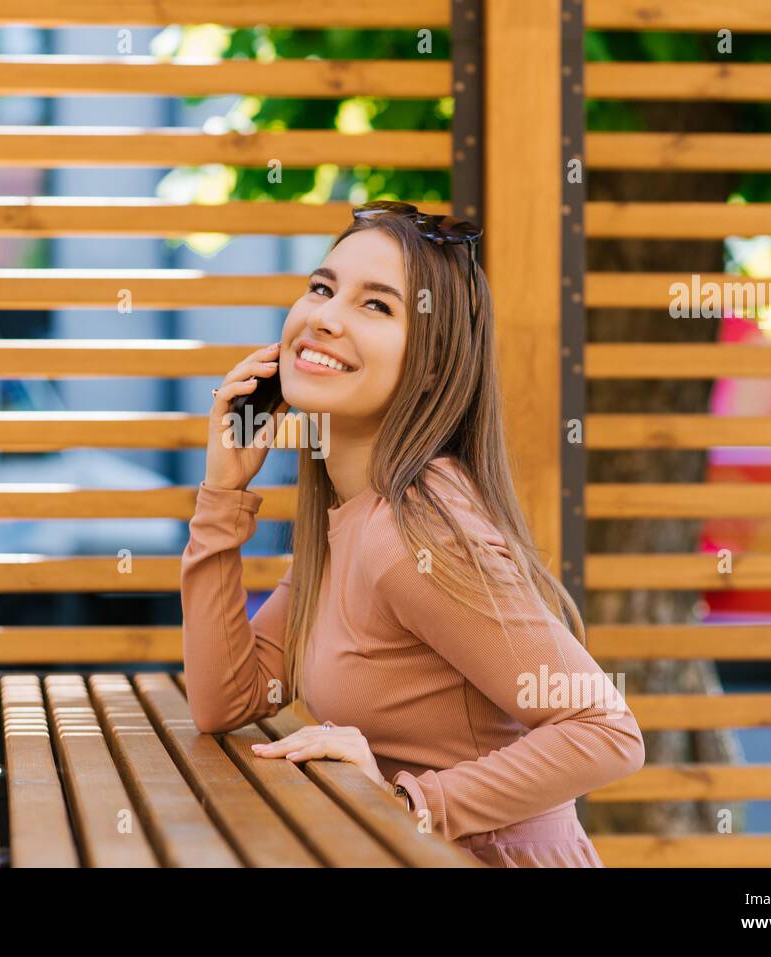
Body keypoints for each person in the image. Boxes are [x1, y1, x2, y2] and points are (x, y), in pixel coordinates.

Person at [180, 202, 644, 867]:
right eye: (322, 288)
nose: (326, 318)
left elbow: (605, 729)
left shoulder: (410, 532)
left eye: (377, 305)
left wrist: (407, 802)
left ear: (431, 367)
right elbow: (228, 699)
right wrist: (223, 494)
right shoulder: (350, 517)